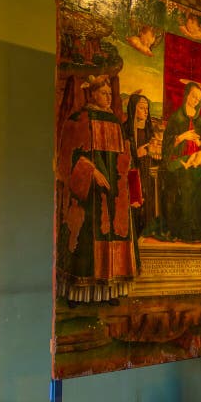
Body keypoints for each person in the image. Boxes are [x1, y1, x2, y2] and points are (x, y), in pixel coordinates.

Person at [56, 74, 136, 304]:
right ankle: (78, 293)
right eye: (104, 93)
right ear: (91, 93)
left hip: (115, 193)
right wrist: (91, 172)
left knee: (113, 232)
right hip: (89, 193)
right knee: (85, 240)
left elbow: (121, 157)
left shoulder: (115, 122)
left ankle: (109, 291)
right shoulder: (79, 120)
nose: (109, 97)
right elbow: (69, 158)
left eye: (110, 93)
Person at [158, 81, 201, 242]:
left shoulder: (200, 122)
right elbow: (166, 147)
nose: (196, 100)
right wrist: (182, 137)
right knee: (188, 181)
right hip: (178, 162)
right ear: (186, 96)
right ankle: (187, 229)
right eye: (193, 96)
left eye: (199, 97)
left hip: (199, 161)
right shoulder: (176, 118)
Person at [123, 93, 155, 235]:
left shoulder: (149, 130)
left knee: (148, 202)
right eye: (142, 108)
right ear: (133, 109)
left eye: (147, 108)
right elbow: (121, 156)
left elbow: (153, 150)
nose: (146, 111)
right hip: (132, 172)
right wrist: (136, 153)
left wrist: (153, 151)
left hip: (146, 171)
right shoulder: (125, 129)